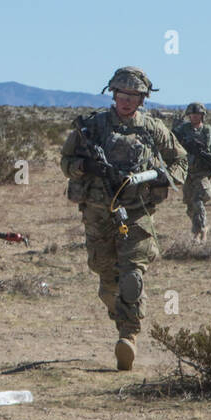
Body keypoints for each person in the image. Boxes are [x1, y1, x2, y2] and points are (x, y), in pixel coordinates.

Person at [59, 66, 187, 370]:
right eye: (122, 94)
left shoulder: (152, 129)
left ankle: (129, 336)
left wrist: (160, 177)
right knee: (106, 281)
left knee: (132, 275)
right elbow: (65, 161)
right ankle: (123, 318)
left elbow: (180, 161)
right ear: (113, 94)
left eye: (133, 95)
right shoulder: (92, 127)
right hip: (98, 213)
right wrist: (86, 168)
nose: (126, 100)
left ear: (142, 99)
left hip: (136, 213)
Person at [173, 102, 211, 241]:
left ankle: (200, 232)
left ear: (203, 116)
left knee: (199, 200)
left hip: (202, 173)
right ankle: (200, 226)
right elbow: (171, 144)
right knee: (190, 205)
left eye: (198, 114)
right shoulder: (181, 130)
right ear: (188, 115)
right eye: (192, 114)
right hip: (186, 172)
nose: (195, 117)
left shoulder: (208, 131)